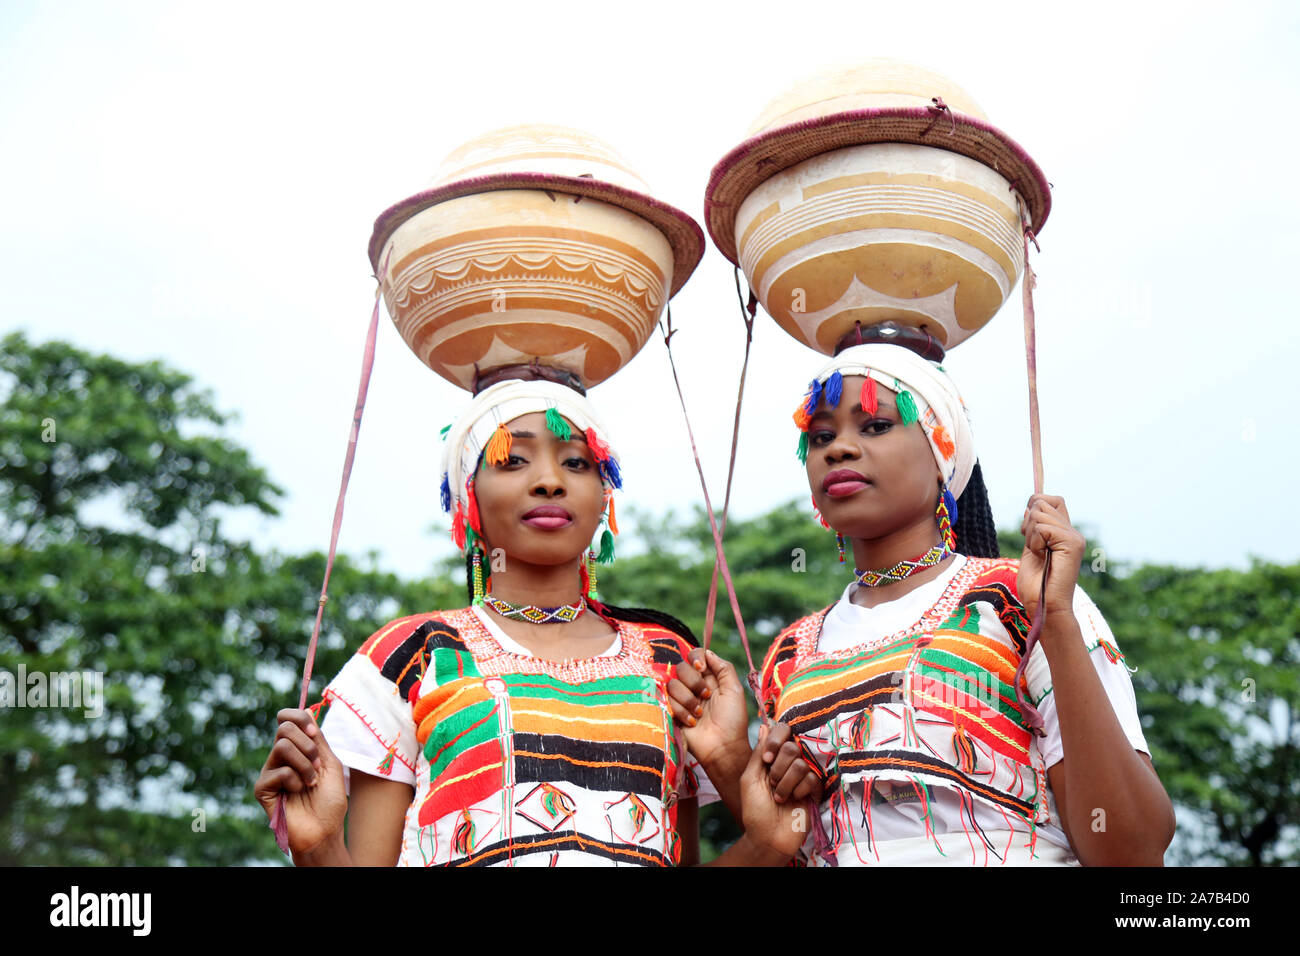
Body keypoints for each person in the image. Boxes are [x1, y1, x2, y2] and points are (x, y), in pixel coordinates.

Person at [254, 375, 804, 866]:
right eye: (513, 460)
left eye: (576, 463)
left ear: (604, 495)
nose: (548, 481)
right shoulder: (413, 654)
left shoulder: (667, 661)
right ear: (467, 497)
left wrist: (766, 839)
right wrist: (318, 846)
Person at [671, 343, 1176, 866]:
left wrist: (1059, 622)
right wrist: (730, 758)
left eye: (875, 426)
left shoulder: (1019, 600)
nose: (838, 449)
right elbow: (793, 848)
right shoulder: (792, 656)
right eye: (821, 437)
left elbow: (1132, 852)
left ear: (941, 453)